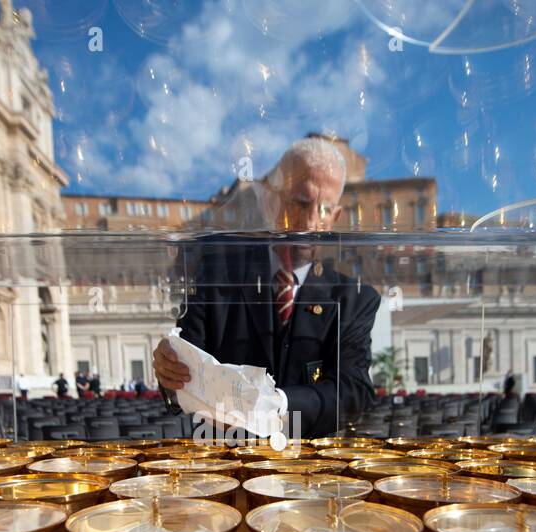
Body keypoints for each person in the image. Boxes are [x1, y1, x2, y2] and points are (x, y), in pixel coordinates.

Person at [152, 137, 377, 438]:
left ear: (335, 217)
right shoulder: (219, 274)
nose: (311, 221)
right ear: (272, 200)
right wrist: (170, 370)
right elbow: (187, 365)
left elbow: (354, 391)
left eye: (324, 209)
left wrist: (278, 405)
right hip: (227, 457)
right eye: (301, 203)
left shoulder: (355, 298)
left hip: (309, 466)